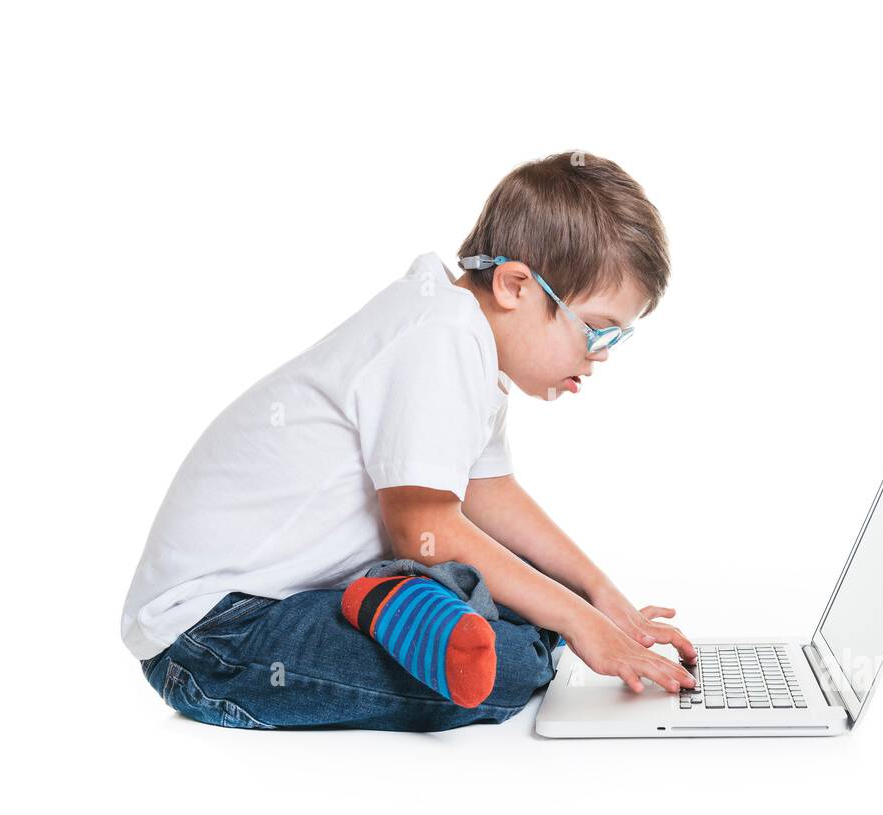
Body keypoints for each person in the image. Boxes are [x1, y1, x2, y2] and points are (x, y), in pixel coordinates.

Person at [125, 151, 697, 731]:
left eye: (615, 338)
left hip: (285, 603)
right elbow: (422, 531)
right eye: (596, 329)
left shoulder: (466, 339)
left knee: (527, 596)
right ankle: (389, 598)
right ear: (516, 285)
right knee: (504, 670)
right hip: (214, 635)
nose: (598, 356)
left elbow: (488, 494)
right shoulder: (437, 337)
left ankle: (402, 604)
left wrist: (601, 600)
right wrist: (579, 624)